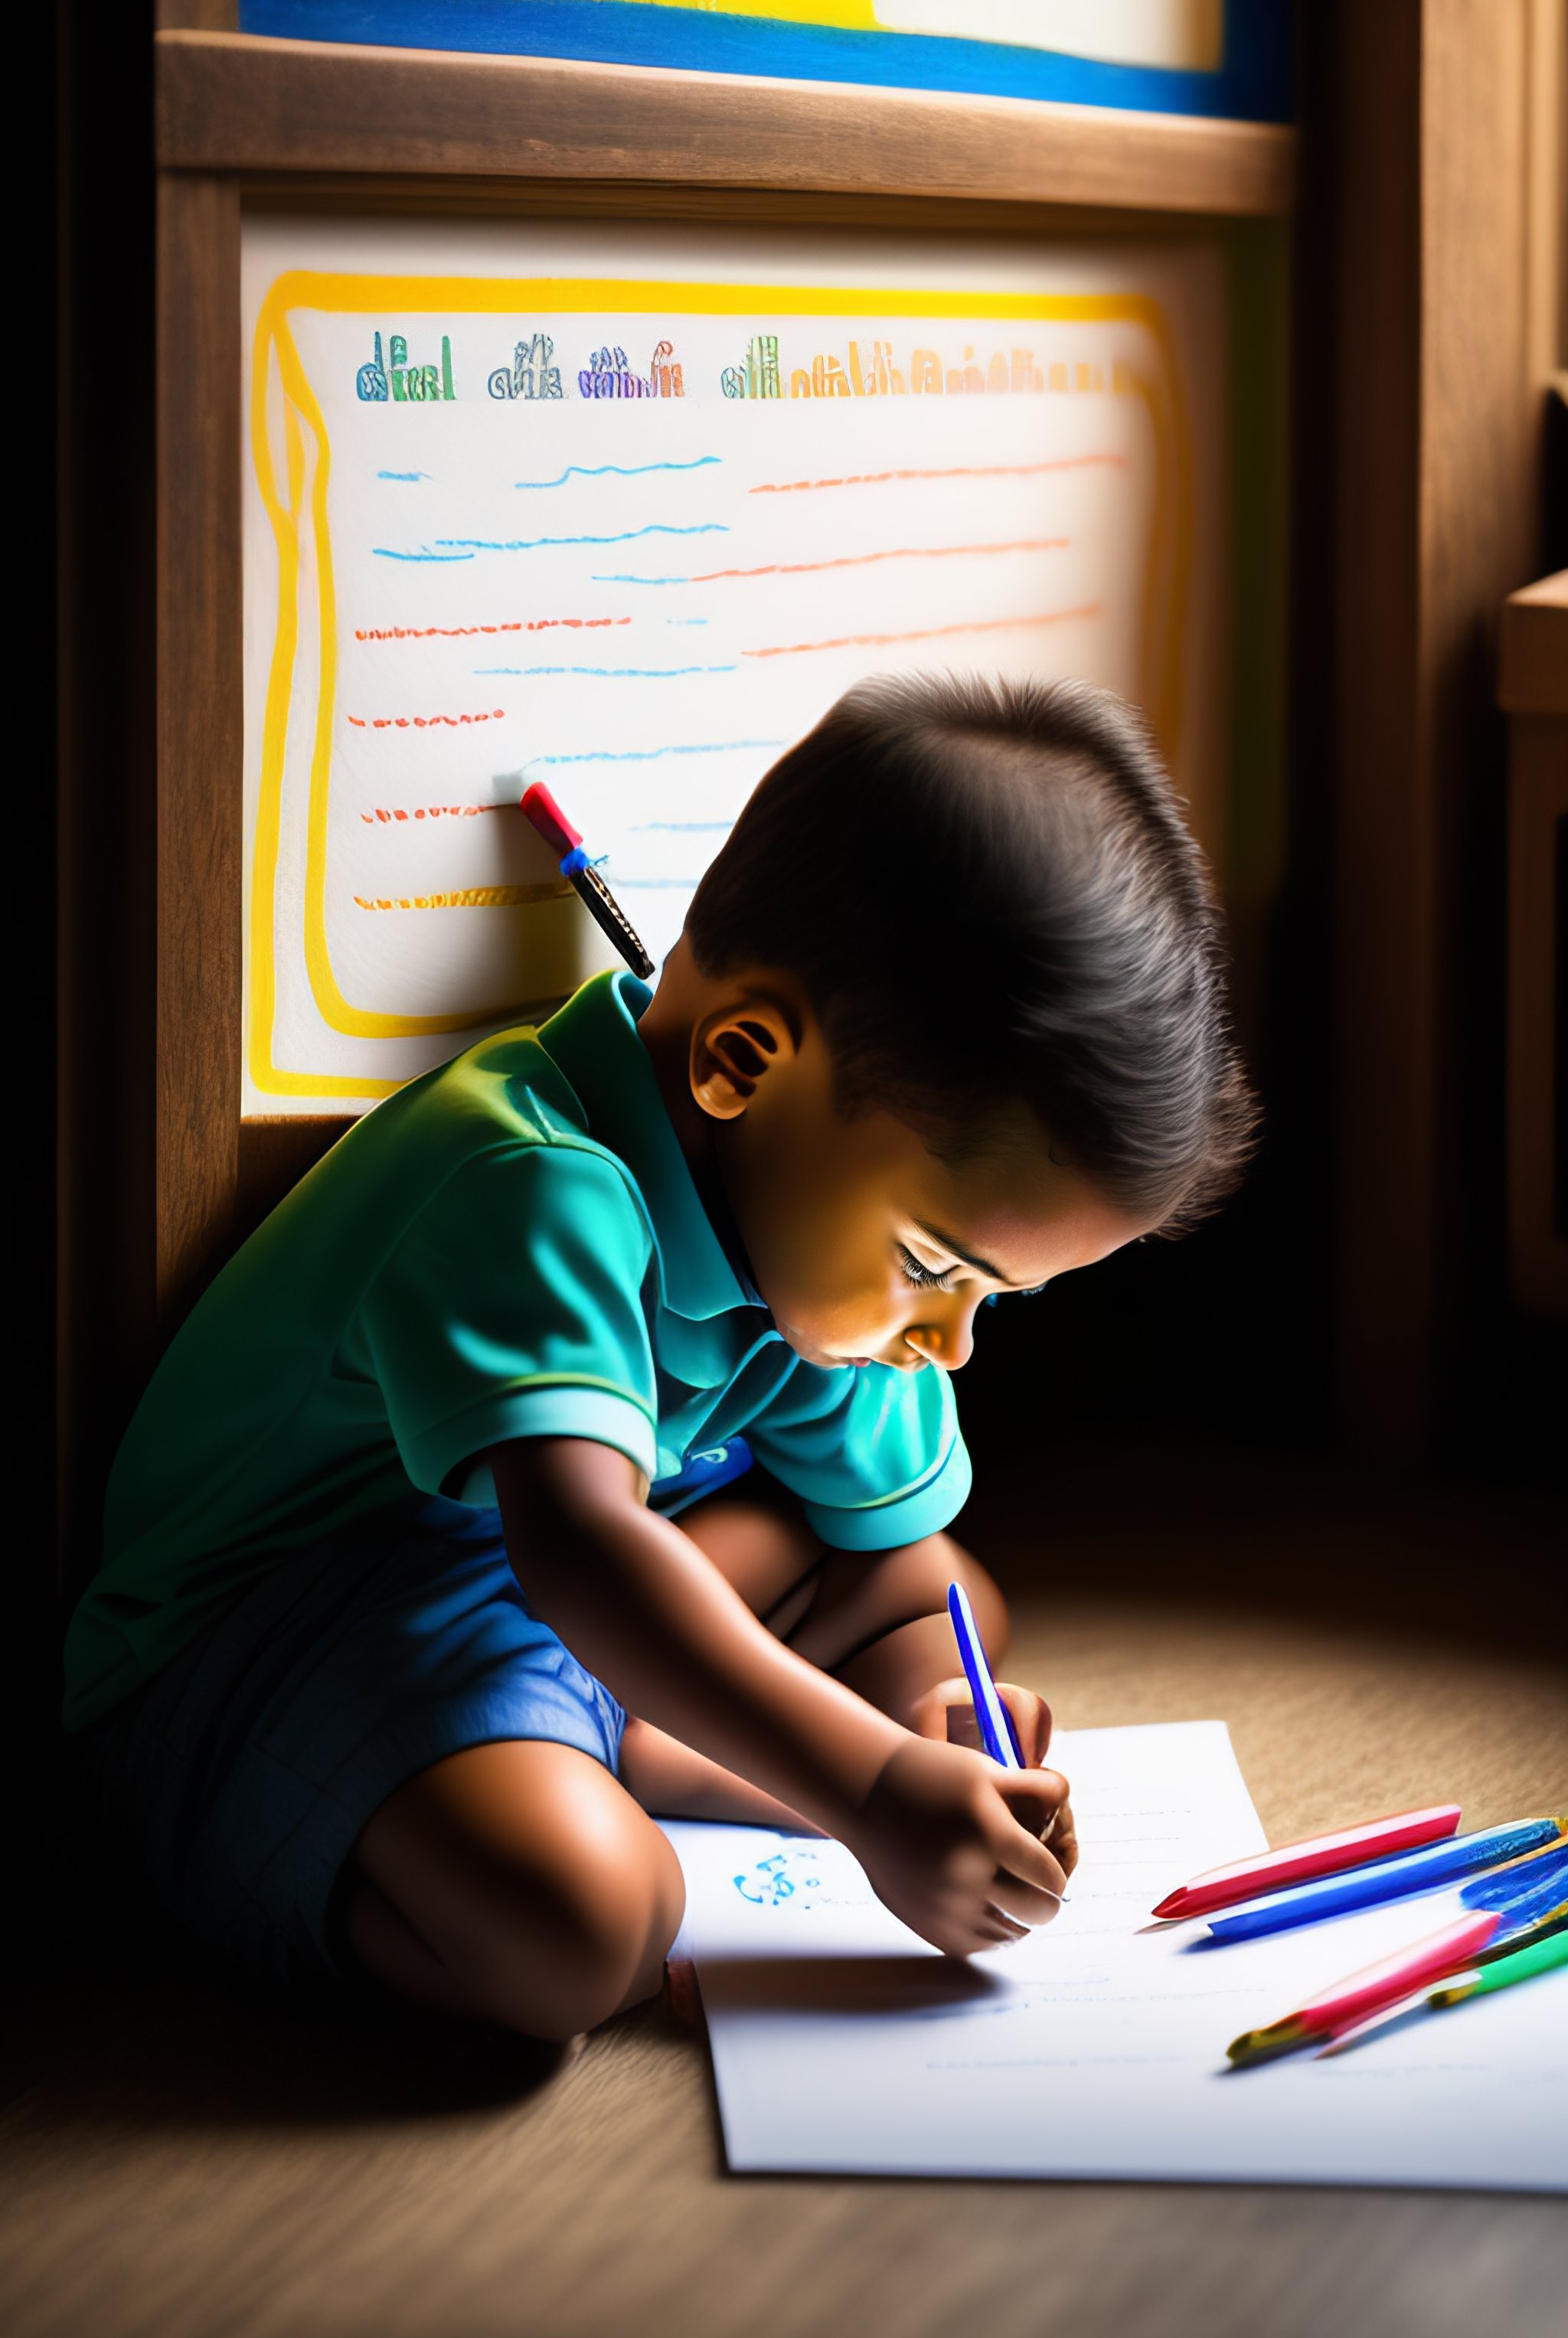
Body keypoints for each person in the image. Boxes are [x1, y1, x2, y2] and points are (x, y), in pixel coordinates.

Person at [63, 674, 1256, 2042]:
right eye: (936, 1266)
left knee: (938, 1591)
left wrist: (944, 1722)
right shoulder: (522, 1180)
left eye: (995, 1296)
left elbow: (904, 1560)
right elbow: (578, 1550)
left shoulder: (806, 1231)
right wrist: (867, 1787)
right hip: (289, 1635)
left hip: (549, 1609)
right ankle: (611, 1753)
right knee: (584, 1921)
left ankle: (644, 1731)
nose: (949, 1343)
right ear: (743, 1062)